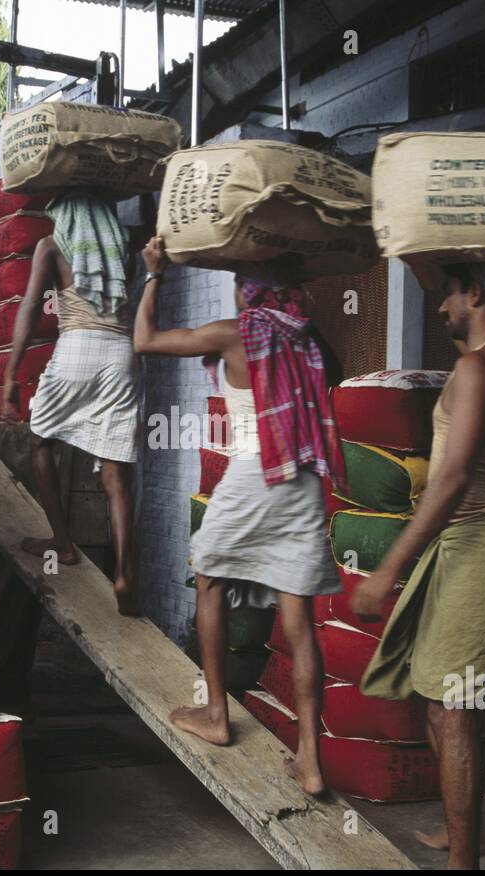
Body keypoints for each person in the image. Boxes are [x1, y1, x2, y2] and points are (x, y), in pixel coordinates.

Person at [350, 262, 485, 869]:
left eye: (447, 291)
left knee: (452, 708)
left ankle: (463, 861)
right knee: (436, 700)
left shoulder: (481, 367)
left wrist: (387, 568)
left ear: (475, 293)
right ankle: (459, 827)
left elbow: (450, 478)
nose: (440, 304)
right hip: (465, 542)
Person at [134, 237, 345, 796]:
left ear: (249, 289)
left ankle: (217, 715)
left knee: (208, 582)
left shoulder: (234, 333)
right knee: (298, 621)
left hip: (254, 473)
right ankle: (311, 760)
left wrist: (154, 274)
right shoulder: (310, 339)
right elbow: (337, 379)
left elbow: (145, 340)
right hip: (302, 480)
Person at [0, 193, 140, 615]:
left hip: (77, 348)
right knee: (115, 468)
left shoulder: (52, 244)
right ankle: (125, 571)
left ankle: (63, 544)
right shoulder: (122, 244)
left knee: (41, 441)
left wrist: (10, 376)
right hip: (120, 352)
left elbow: (29, 307)